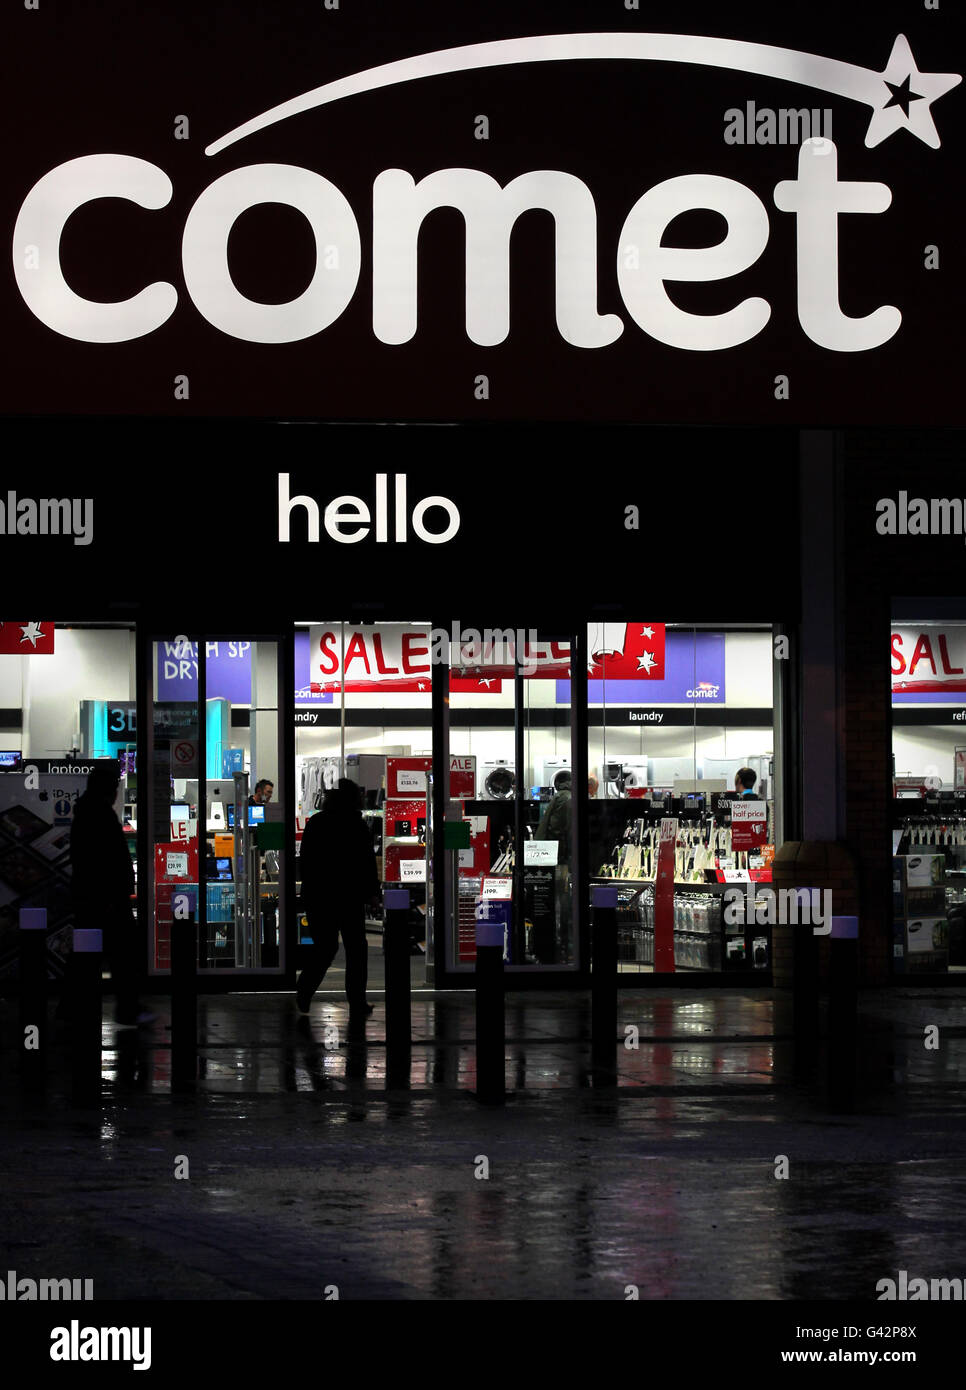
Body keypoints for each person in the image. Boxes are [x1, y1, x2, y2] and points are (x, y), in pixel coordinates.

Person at [69, 759, 154, 1028]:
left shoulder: (87, 812)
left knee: (89, 956)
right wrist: (116, 893)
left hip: (95, 897)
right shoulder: (100, 815)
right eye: (115, 785)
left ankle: (72, 1008)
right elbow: (107, 859)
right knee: (123, 956)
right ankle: (127, 1010)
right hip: (107, 899)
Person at [296, 778, 381, 1020]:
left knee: (325, 947)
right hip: (348, 896)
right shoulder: (356, 825)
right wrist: (373, 893)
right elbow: (366, 864)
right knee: (356, 949)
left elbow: (307, 860)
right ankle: (357, 1000)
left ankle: (304, 991)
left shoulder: (317, 822)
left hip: (320, 896)